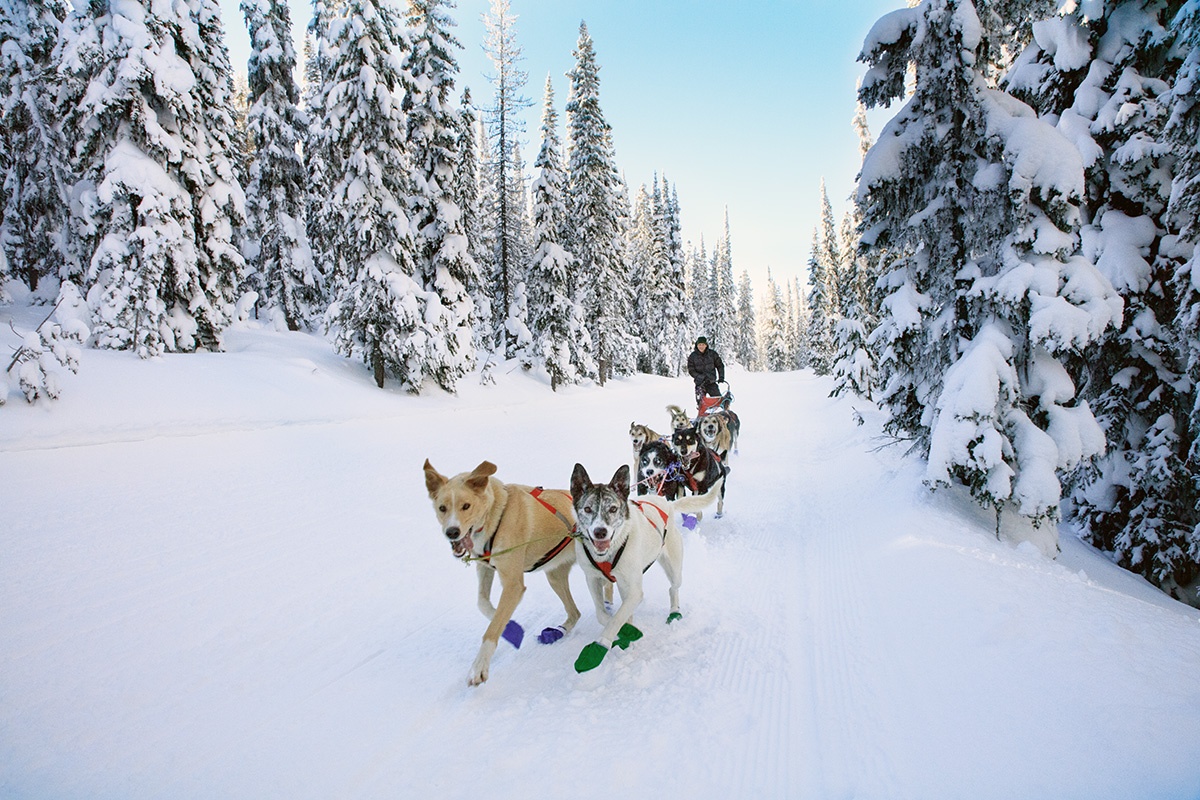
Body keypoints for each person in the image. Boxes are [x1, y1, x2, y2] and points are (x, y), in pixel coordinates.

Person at [687, 336, 725, 408]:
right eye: (699, 345)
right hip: (700, 384)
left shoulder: (712, 354)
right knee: (701, 405)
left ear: (706, 345)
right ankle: (702, 418)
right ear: (697, 345)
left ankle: (720, 416)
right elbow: (691, 370)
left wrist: (721, 377)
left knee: (719, 402)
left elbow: (720, 365)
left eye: (703, 345)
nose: (701, 346)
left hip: (711, 382)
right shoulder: (692, 356)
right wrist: (700, 377)